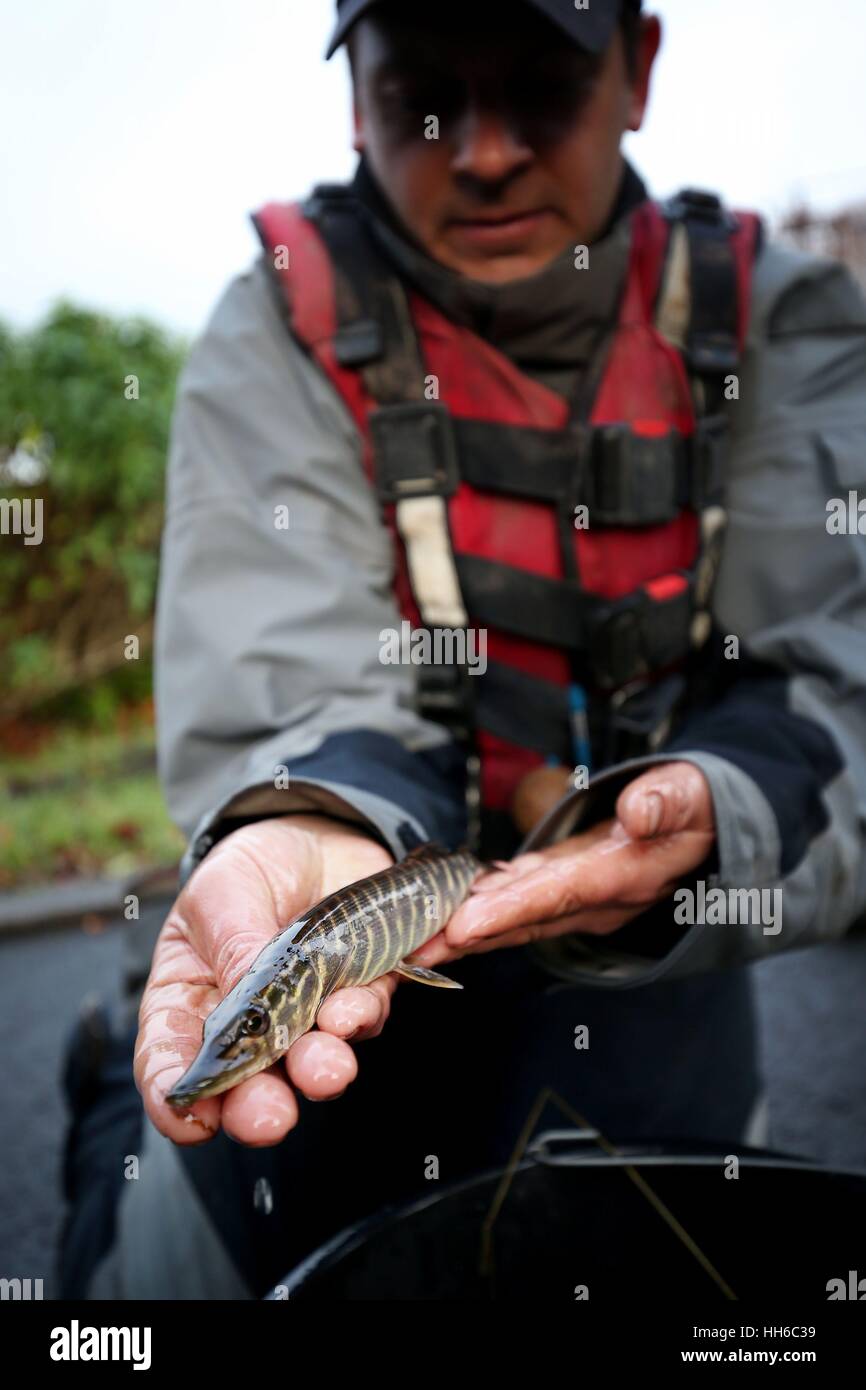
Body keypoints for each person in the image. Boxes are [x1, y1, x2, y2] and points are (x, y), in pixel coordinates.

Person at [59, 0, 866, 1300]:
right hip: (386, 866)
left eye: (539, 85)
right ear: (354, 95)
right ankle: (116, 1094)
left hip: (648, 928)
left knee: (682, 1278)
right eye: (422, 91)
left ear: (637, 67)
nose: (480, 150)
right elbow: (297, 673)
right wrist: (308, 816)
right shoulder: (276, 324)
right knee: (149, 1288)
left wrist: (709, 816)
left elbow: (837, 685)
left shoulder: (786, 319)